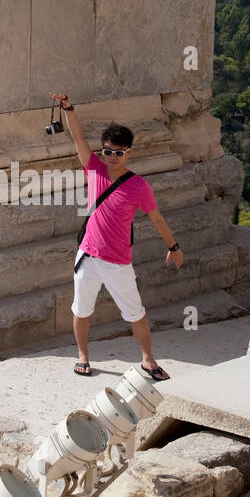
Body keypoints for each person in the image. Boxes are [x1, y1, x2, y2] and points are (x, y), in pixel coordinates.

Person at [51, 92, 184, 382]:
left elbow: (156, 218)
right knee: (81, 309)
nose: (112, 157)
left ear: (129, 152)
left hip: (118, 261)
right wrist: (69, 109)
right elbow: (77, 138)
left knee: (135, 313)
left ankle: (149, 360)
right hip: (88, 256)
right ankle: (83, 356)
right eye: (108, 151)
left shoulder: (138, 186)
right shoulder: (94, 169)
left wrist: (173, 246)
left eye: (118, 152)